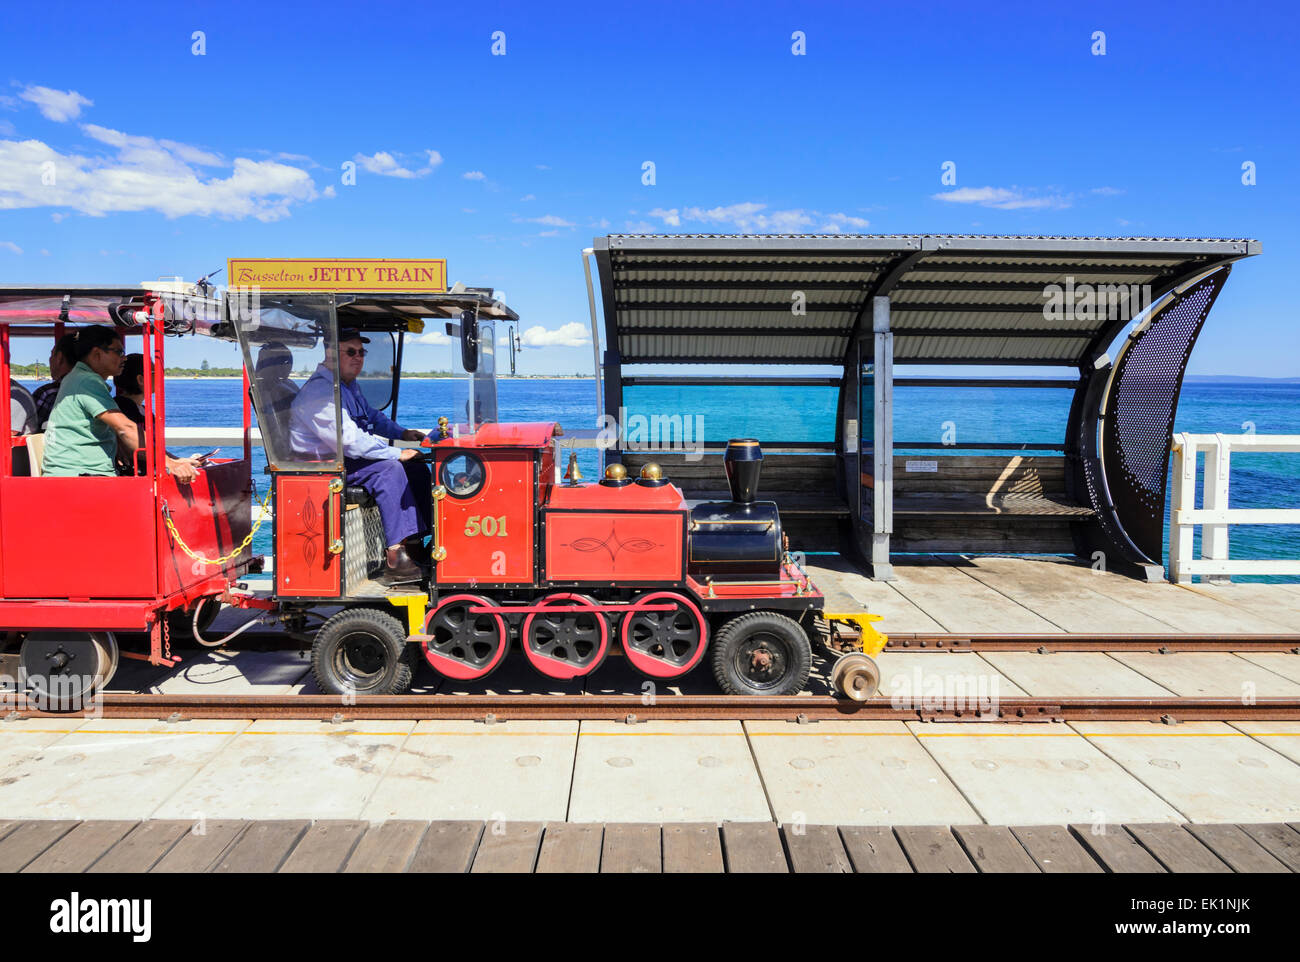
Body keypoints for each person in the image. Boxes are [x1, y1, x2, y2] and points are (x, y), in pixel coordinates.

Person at [289, 329, 429, 582]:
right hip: (324, 468)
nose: (358, 358)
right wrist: (397, 453)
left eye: (361, 352)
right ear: (330, 353)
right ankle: (396, 558)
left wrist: (404, 433)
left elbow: (372, 418)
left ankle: (418, 543)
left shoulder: (346, 386)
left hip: (344, 461)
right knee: (390, 469)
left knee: (417, 467)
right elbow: (351, 442)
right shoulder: (320, 393)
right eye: (350, 352)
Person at [42, 326, 199, 483]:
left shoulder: (80, 378)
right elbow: (125, 428)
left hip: (80, 474)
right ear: (97, 354)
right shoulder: (86, 381)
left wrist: (173, 461)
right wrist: (168, 463)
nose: (124, 358)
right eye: (119, 352)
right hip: (80, 477)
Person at [33, 332, 76, 430]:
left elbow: (32, 429)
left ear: (59, 358)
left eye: (52, 354)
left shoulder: (48, 393)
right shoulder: (93, 389)